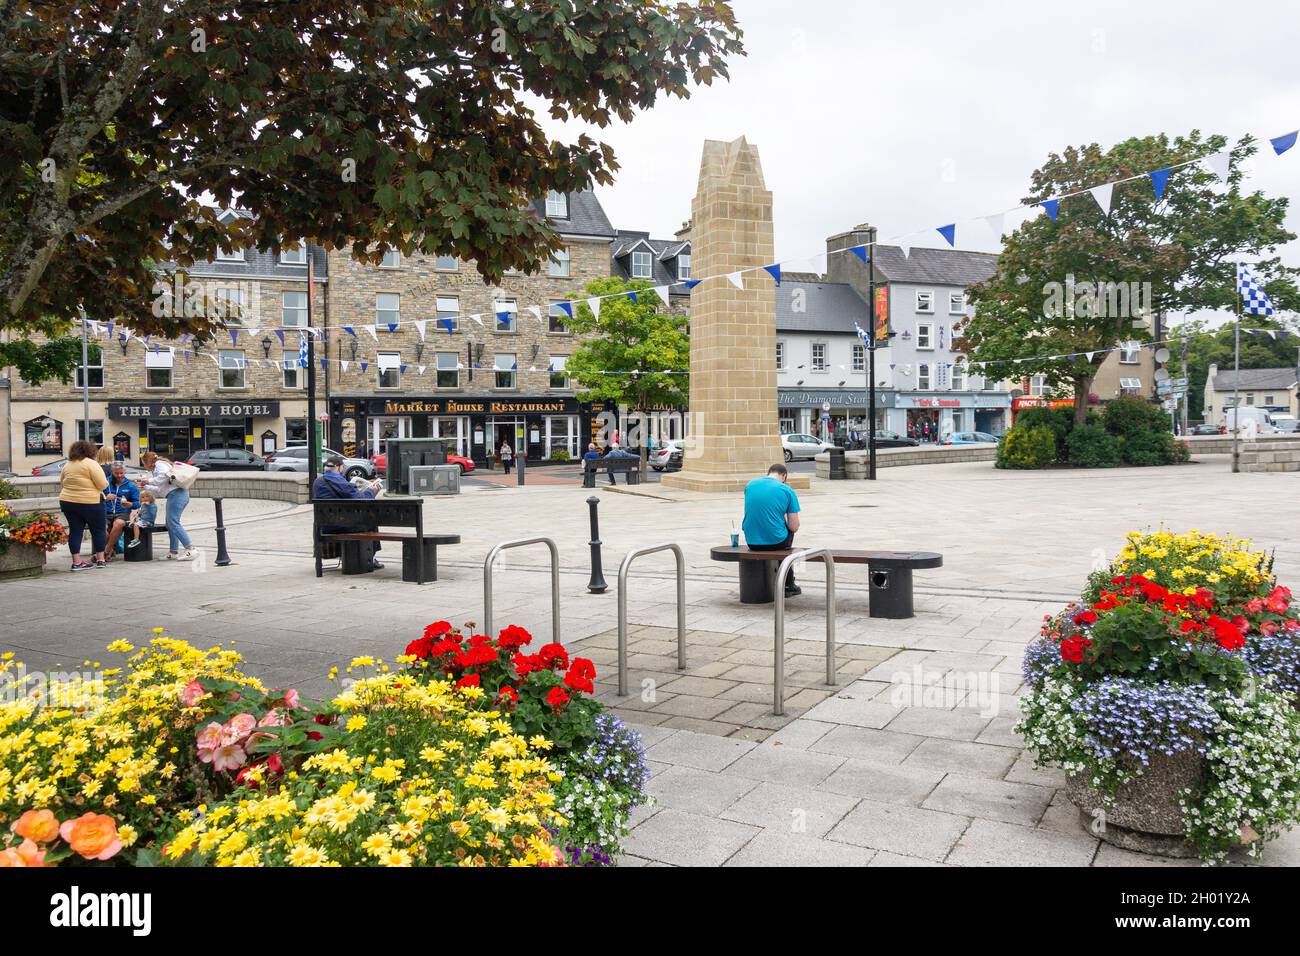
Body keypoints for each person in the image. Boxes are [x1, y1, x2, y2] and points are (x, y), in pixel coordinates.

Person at [312, 454, 383, 570]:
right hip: (342, 525)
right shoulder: (339, 481)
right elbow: (361, 499)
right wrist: (371, 491)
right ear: (339, 468)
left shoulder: (317, 482)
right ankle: (370, 557)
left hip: (324, 525)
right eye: (342, 468)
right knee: (371, 523)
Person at [742, 463, 802, 597]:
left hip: (752, 541)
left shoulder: (750, 485)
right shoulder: (786, 490)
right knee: (789, 530)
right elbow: (794, 526)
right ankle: (788, 583)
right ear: (784, 476)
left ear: (768, 473)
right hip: (776, 542)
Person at [59, 439, 109, 570]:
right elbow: (102, 484)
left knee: (75, 531)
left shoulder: (67, 464)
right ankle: (100, 560)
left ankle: (76, 562)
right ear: (90, 450)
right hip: (91, 502)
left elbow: (62, 482)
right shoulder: (91, 463)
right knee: (98, 530)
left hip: (68, 501)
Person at [139, 449, 195, 561]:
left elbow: (163, 477)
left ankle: (190, 549)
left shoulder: (160, 464)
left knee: (173, 522)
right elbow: (160, 489)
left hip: (177, 495)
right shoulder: (159, 467)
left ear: (147, 461)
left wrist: (148, 481)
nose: (144, 466)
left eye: (143, 463)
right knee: (170, 524)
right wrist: (145, 487)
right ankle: (173, 551)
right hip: (176, 495)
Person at [103, 461, 141, 559]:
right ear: (112, 471)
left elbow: (138, 503)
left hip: (123, 513)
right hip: (106, 512)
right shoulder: (105, 483)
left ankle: (106, 551)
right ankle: (111, 550)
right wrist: (105, 498)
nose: (119, 475)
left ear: (124, 472)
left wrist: (130, 504)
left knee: (118, 524)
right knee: (100, 527)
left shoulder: (130, 485)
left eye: (121, 473)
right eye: (117, 473)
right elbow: (97, 497)